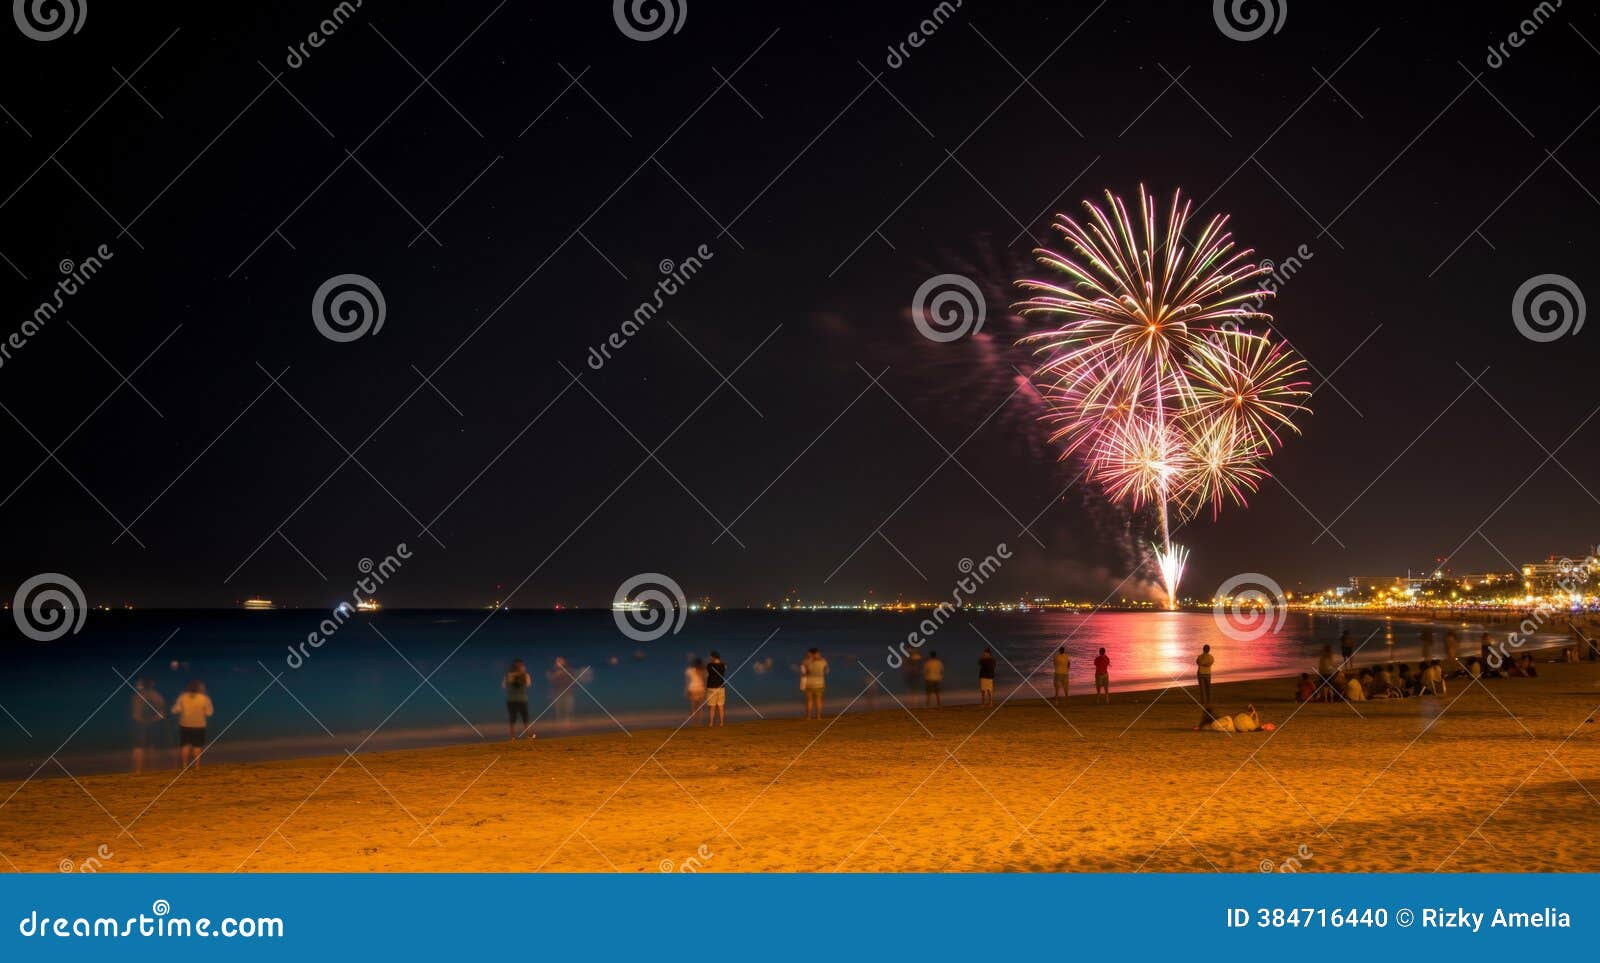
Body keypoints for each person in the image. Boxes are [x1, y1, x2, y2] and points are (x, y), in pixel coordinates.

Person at [171, 680, 214, 769]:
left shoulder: (182, 697)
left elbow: (175, 710)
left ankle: (184, 765)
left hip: (185, 724)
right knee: (197, 746)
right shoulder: (204, 698)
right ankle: (197, 766)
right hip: (199, 725)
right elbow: (209, 713)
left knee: (185, 746)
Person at [130, 678, 167, 773]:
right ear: (152, 684)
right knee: (152, 746)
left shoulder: (137, 695)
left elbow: (135, 712)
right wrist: (155, 719)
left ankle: (138, 769)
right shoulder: (156, 695)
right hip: (153, 723)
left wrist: (139, 720)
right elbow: (162, 711)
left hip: (139, 723)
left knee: (138, 746)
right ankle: (152, 768)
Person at [503, 659, 532, 739]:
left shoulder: (524, 675)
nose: (520, 668)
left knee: (524, 717)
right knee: (514, 718)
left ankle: (526, 734)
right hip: (514, 699)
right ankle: (513, 735)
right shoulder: (509, 675)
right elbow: (505, 685)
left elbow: (528, 683)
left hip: (519, 699)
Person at [801, 647, 827, 719]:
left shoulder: (805, 662)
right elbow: (826, 671)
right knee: (819, 700)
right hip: (820, 683)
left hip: (809, 683)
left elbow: (803, 673)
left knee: (809, 701)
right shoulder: (823, 661)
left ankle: (809, 716)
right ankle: (818, 716)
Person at [704, 651, 727, 727]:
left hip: (712, 687)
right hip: (721, 687)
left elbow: (707, 672)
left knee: (712, 707)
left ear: (713, 657)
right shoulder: (723, 665)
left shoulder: (709, 665)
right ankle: (721, 723)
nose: (710, 658)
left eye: (710, 657)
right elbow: (725, 668)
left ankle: (711, 723)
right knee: (721, 706)